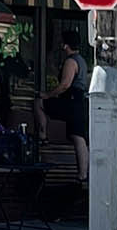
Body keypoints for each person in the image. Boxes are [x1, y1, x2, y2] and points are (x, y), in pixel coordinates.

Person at [34, 29, 90, 186]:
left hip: (70, 100)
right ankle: (83, 175)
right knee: (78, 137)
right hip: (79, 102)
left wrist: (48, 95)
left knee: (38, 103)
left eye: (62, 43)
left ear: (66, 45)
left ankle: (43, 135)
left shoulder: (71, 62)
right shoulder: (82, 61)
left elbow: (65, 84)